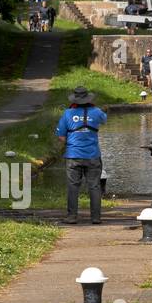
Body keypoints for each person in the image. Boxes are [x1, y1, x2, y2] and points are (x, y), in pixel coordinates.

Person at [55, 85, 107, 224]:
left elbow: (61, 137)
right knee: (94, 186)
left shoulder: (67, 113)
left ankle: (72, 217)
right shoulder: (97, 111)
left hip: (73, 156)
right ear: (88, 99)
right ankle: (96, 218)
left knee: (73, 186)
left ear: (74, 99)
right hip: (93, 155)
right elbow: (104, 119)